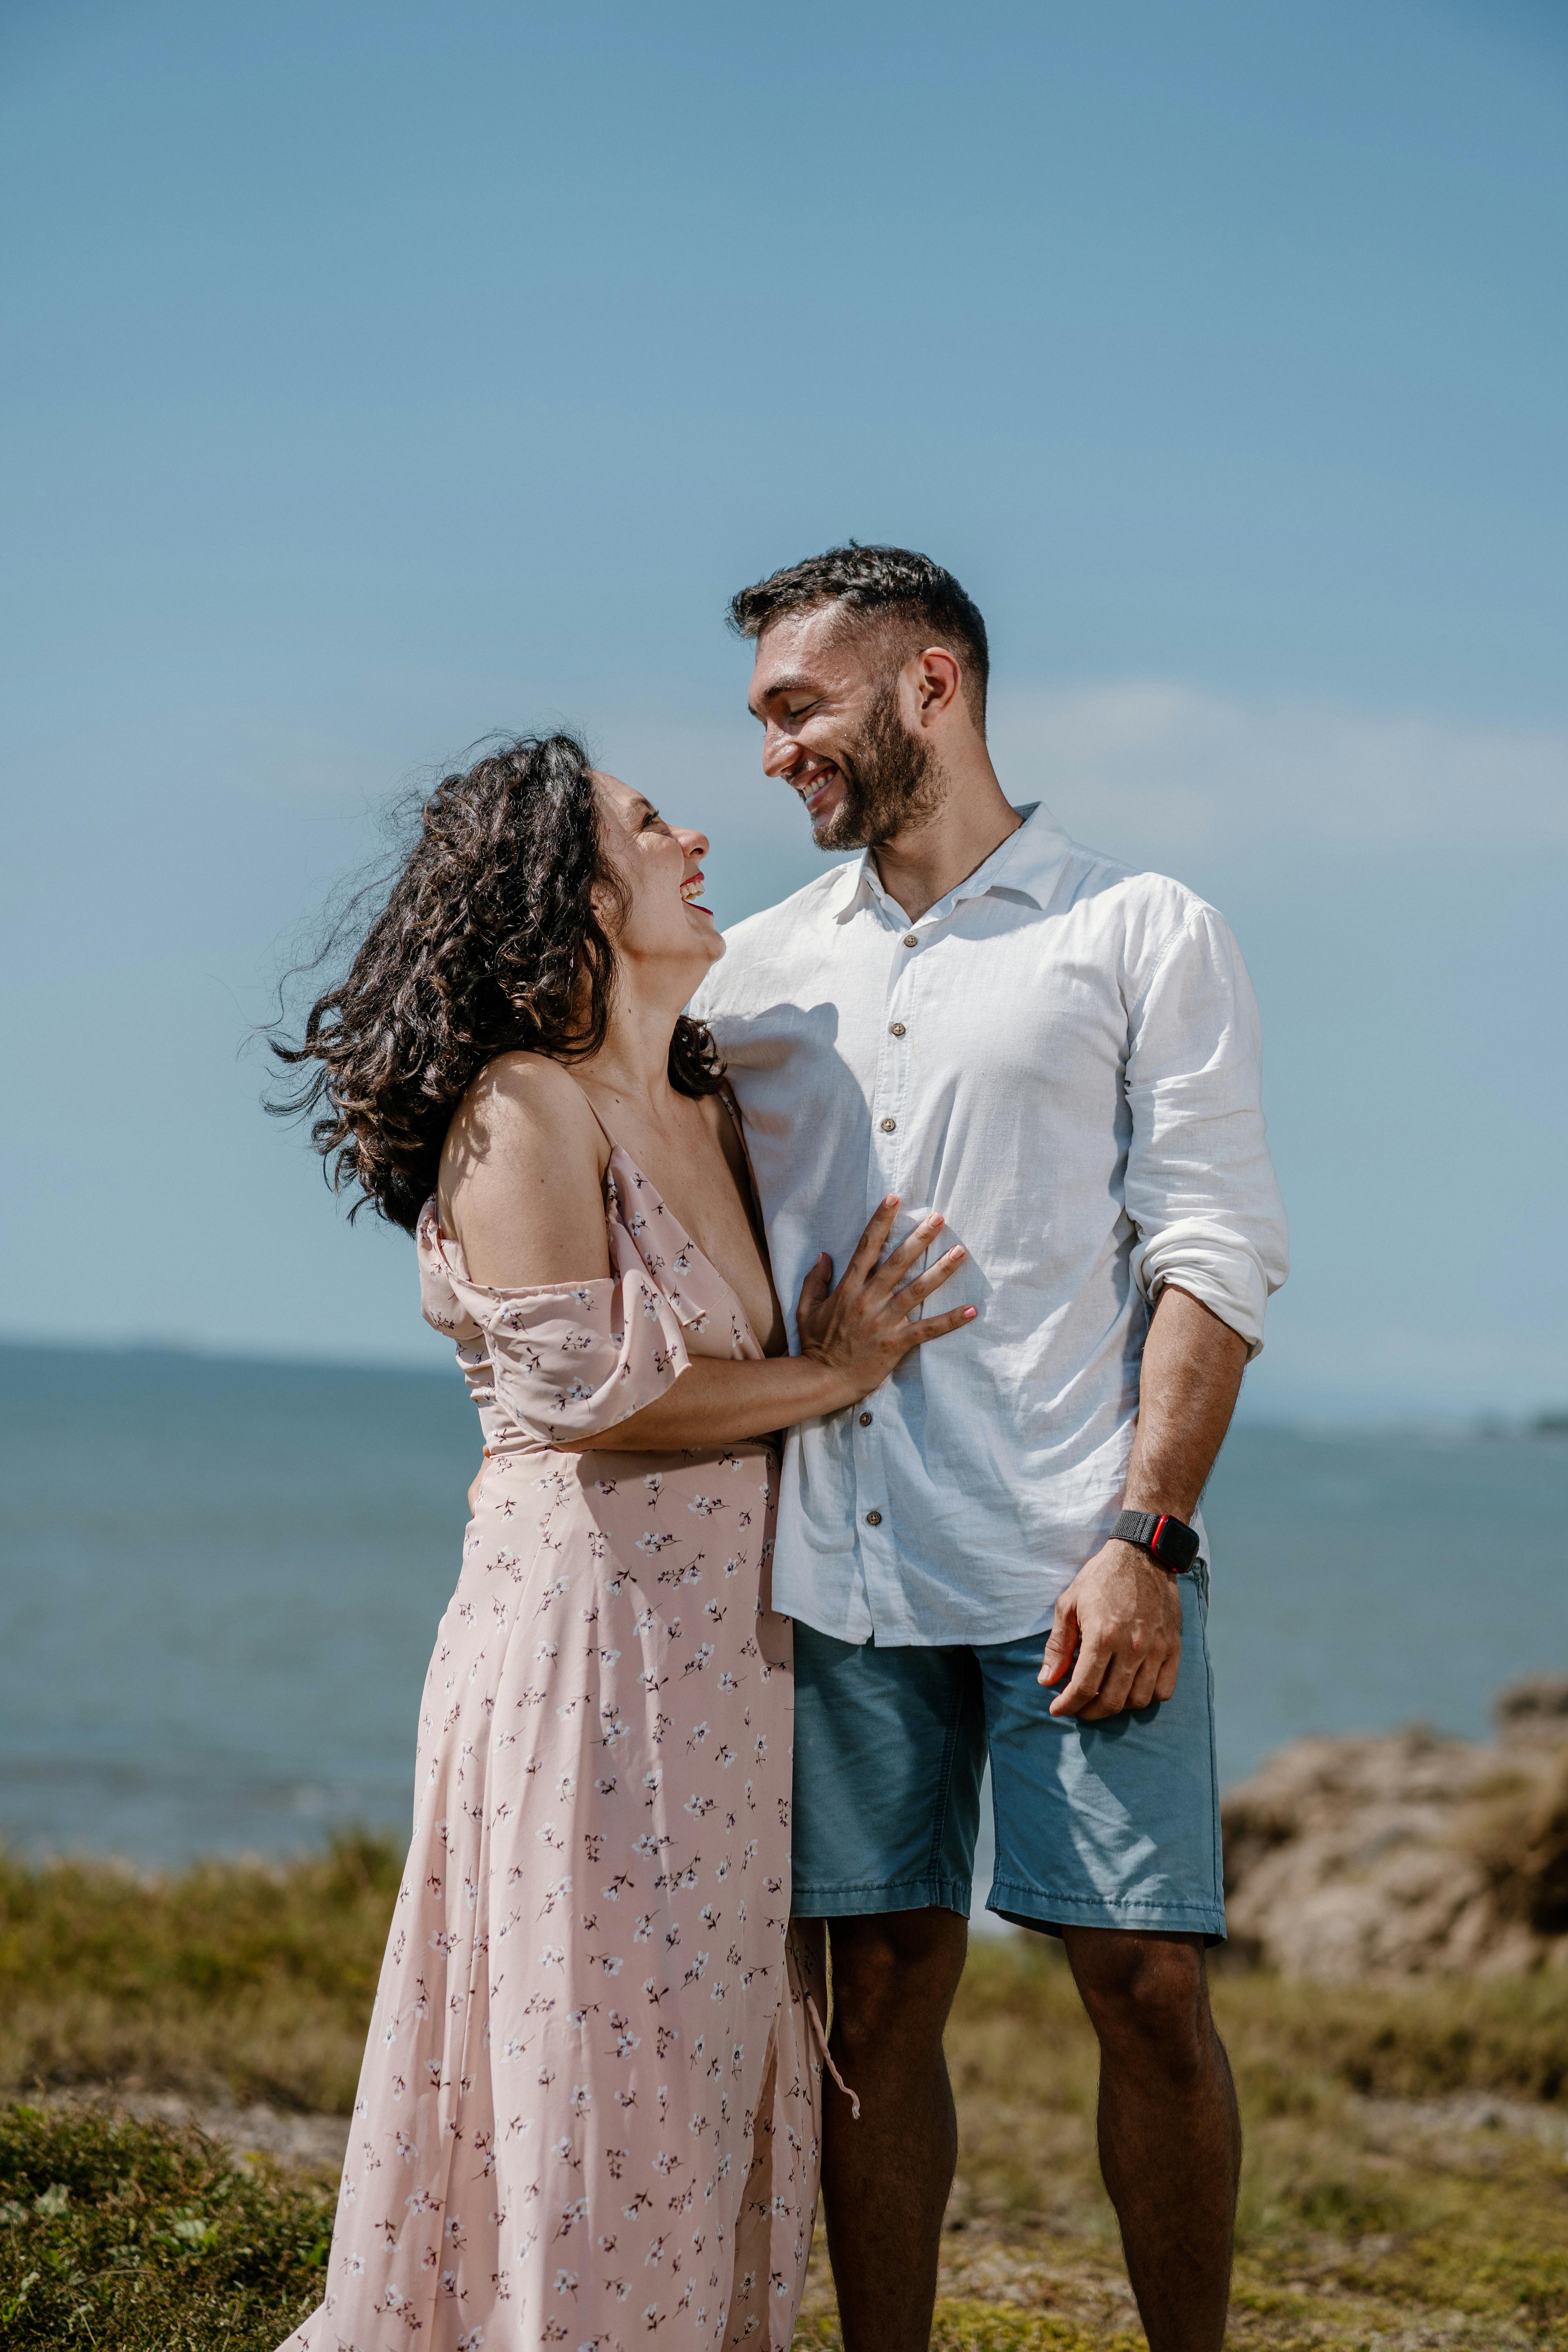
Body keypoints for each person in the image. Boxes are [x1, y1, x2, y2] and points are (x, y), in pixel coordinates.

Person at [268, 733, 973, 2352]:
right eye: (648, 826)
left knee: (696, 2064)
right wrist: (842, 1371)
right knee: (591, 2062)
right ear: (565, 891)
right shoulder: (527, 1102)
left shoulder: (699, 1100)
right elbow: (583, 1392)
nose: (694, 836)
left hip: (724, 1661)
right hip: (585, 1652)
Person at [690, 546, 1290, 2352]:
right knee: (871, 1992)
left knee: (1145, 1983)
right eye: (761, 719)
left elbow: (1215, 1248)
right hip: (837, 1561)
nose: (776, 752)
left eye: (800, 707)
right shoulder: (752, 969)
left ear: (928, 686)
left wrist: (1144, 1535)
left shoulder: (1138, 926)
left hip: (1065, 1559)